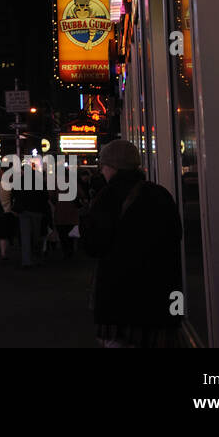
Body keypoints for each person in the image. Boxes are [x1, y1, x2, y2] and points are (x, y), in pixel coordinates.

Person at [79, 139, 182, 348]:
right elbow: (175, 235)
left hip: (120, 299)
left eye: (104, 167)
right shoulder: (160, 194)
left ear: (113, 167)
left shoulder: (107, 197)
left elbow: (94, 245)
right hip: (160, 295)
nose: (102, 172)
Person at [14, 165, 49, 268]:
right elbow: (45, 196)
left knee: (25, 236)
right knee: (36, 235)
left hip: (23, 211)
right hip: (37, 211)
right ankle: (37, 258)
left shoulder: (20, 181)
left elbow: (15, 194)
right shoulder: (39, 181)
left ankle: (26, 260)